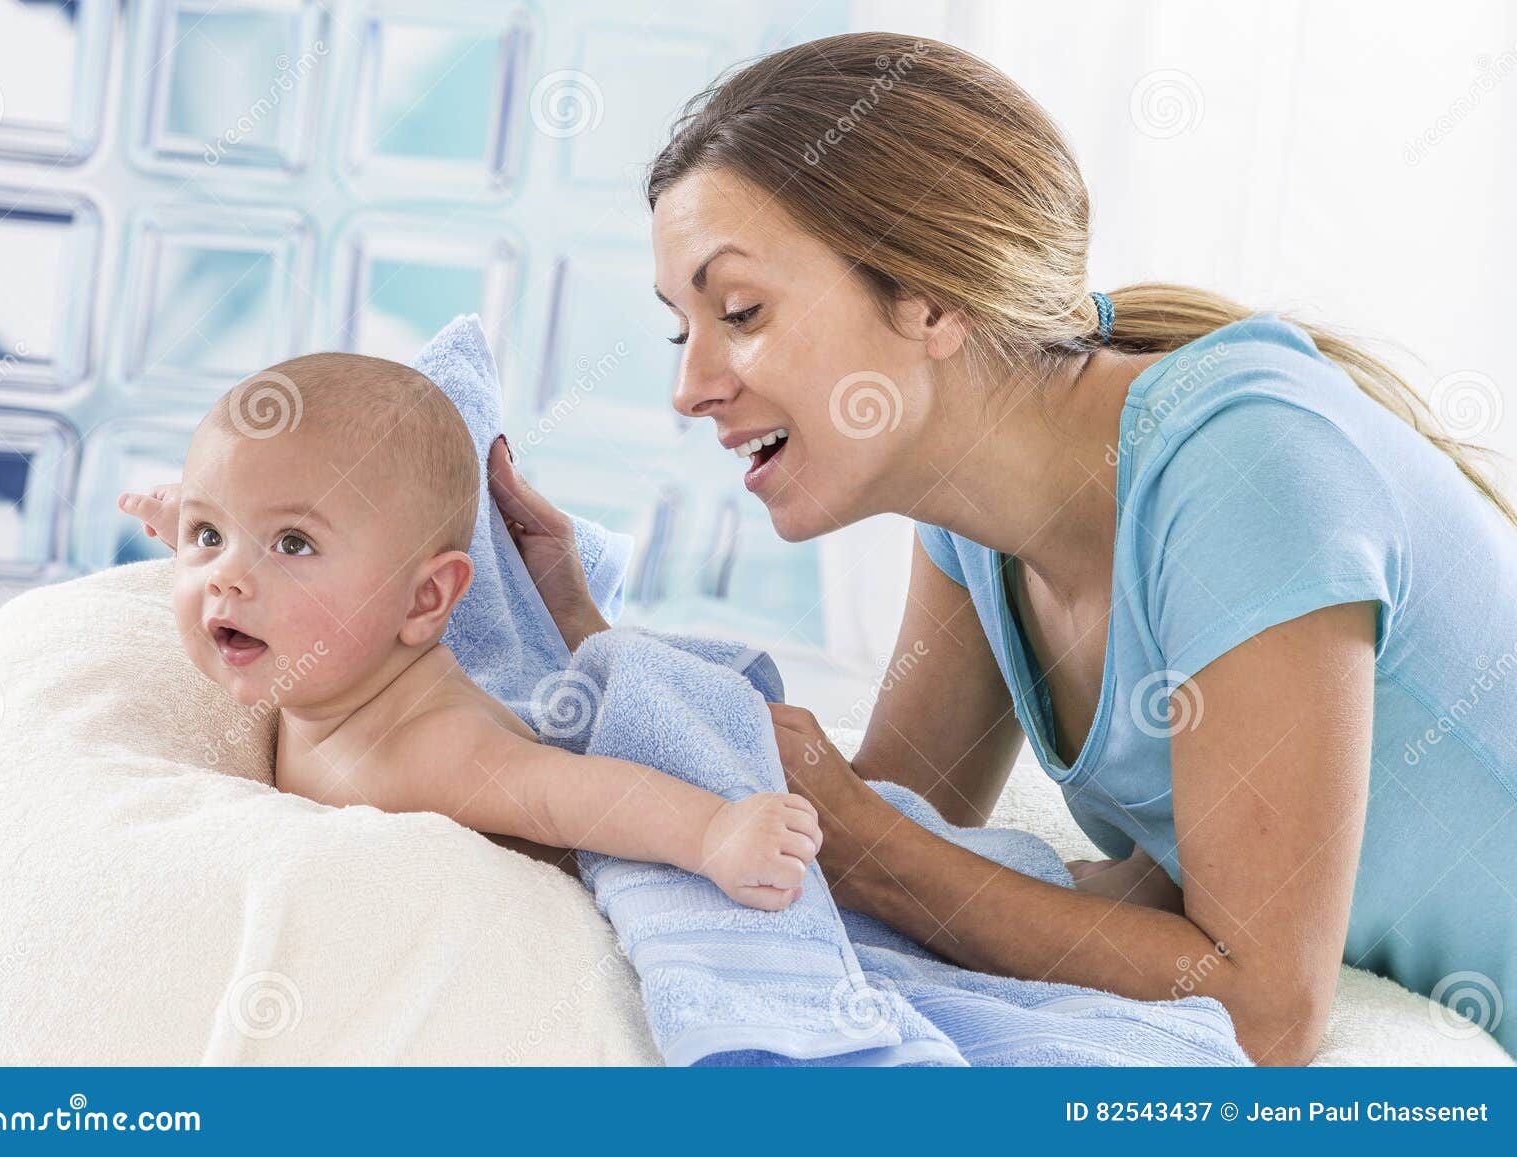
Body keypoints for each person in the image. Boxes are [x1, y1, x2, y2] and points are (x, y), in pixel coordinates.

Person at [487, 32, 1517, 1064]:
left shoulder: (1245, 471)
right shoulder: (975, 517)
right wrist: (586, 647)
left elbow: (1259, 1008)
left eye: (742, 311)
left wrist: (858, 834)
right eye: (683, 329)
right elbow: (894, 834)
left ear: (930, 298)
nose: (692, 384)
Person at [118, 352, 821, 912]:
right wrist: (178, 514)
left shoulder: (425, 750)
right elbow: (241, 507)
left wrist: (713, 834)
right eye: (208, 535)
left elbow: (570, 794)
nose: (225, 578)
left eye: (293, 545)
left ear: (425, 599)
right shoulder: (328, 671)